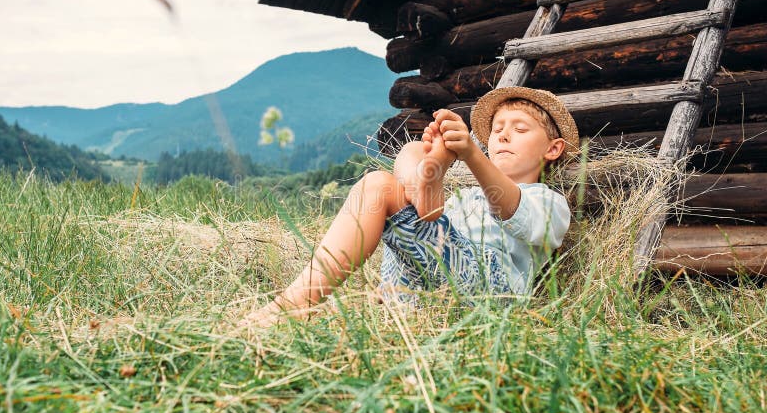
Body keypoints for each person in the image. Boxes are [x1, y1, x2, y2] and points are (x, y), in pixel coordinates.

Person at [241, 86, 579, 326]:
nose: (503, 136)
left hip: (492, 297)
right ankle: (424, 180)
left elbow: (511, 207)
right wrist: (430, 172)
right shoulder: (466, 198)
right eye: (497, 130)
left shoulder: (548, 201)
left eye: (519, 130)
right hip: (428, 289)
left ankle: (289, 307)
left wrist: (473, 156)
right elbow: (432, 225)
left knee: (381, 185)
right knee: (400, 164)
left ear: (553, 149)